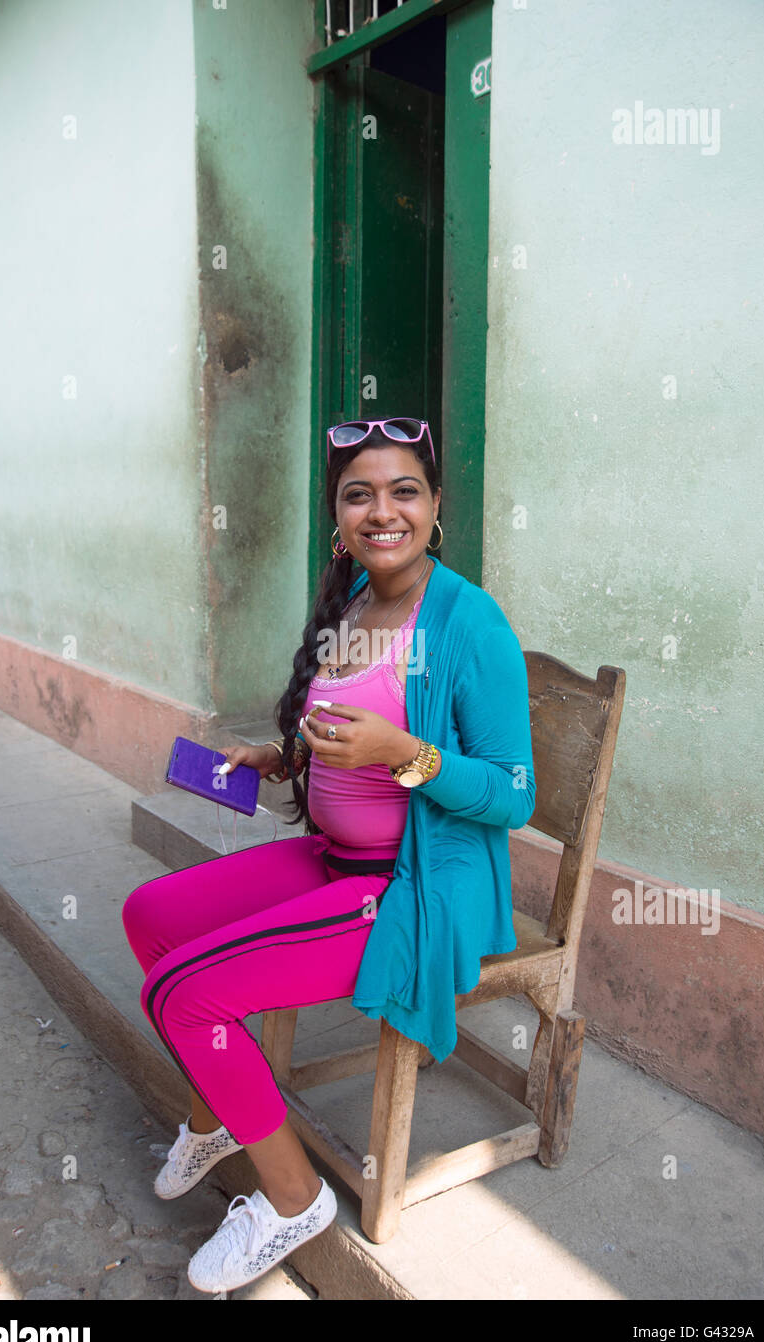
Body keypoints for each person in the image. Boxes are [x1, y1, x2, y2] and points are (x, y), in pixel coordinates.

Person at [121, 416, 536, 1295]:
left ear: (435, 508)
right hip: (334, 857)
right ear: (338, 515)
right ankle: (221, 1110)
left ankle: (292, 1197)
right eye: (359, 495)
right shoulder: (352, 601)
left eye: (403, 491)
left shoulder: (467, 621)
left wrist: (402, 755)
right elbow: (337, 733)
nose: (381, 511)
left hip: (414, 887)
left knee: (185, 995)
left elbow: (511, 793)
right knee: (147, 915)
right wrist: (283, 759)